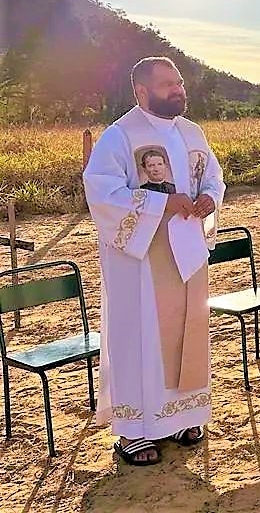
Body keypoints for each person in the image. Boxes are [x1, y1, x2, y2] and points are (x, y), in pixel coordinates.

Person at [83, 57, 224, 466]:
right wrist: (162, 204)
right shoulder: (119, 137)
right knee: (142, 337)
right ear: (141, 92)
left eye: (179, 82)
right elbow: (103, 194)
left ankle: (181, 419)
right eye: (167, 84)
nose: (178, 89)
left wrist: (210, 198)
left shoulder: (192, 132)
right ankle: (134, 433)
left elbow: (212, 176)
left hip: (187, 253)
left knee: (188, 330)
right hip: (142, 259)